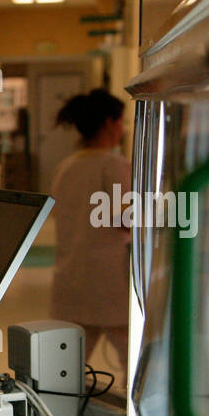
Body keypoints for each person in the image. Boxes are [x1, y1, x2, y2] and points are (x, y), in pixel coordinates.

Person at [48, 88, 133, 375]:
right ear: (110, 123)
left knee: (67, 370)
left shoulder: (67, 167)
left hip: (72, 280)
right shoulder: (114, 166)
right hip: (109, 284)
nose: (123, 128)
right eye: (122, 121)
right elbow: (126, 218)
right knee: (132, 361)